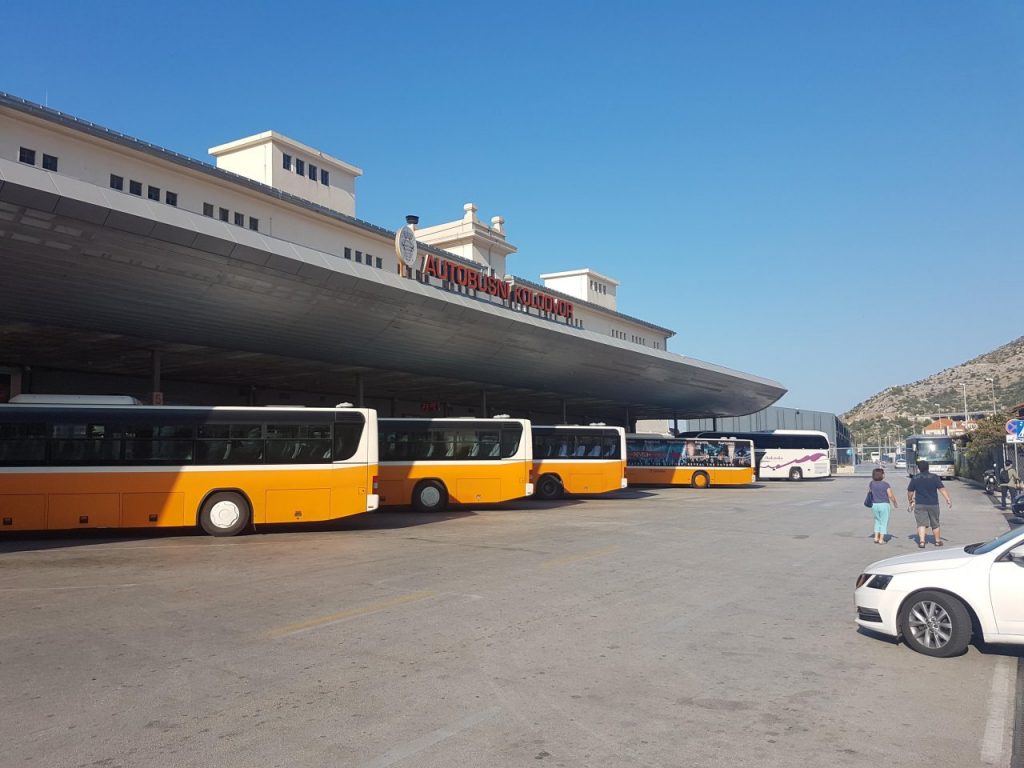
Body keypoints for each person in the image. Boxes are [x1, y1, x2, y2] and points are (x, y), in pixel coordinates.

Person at [907, 460, 952, 547]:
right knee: (935, 523)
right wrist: (948, 499)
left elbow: (910, 492)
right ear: (928, 468)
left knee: (921, 523)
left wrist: (910, 500)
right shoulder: (934, 477)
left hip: (920, 504)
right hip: (933, 504)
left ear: (919, 468)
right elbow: (941, 489)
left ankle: (922, 542)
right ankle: (937, 541)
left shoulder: (915, 478)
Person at [868, 467, 898, 544]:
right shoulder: (885, 484)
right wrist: (895, 503)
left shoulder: (871, 483)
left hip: (874, 504)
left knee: (877, 521)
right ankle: (881, 539)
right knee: (884, 522)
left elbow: (870, 492)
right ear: (881, 475)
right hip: (884, 504)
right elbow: (890, 495)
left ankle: (876, 537)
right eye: (883, 473)